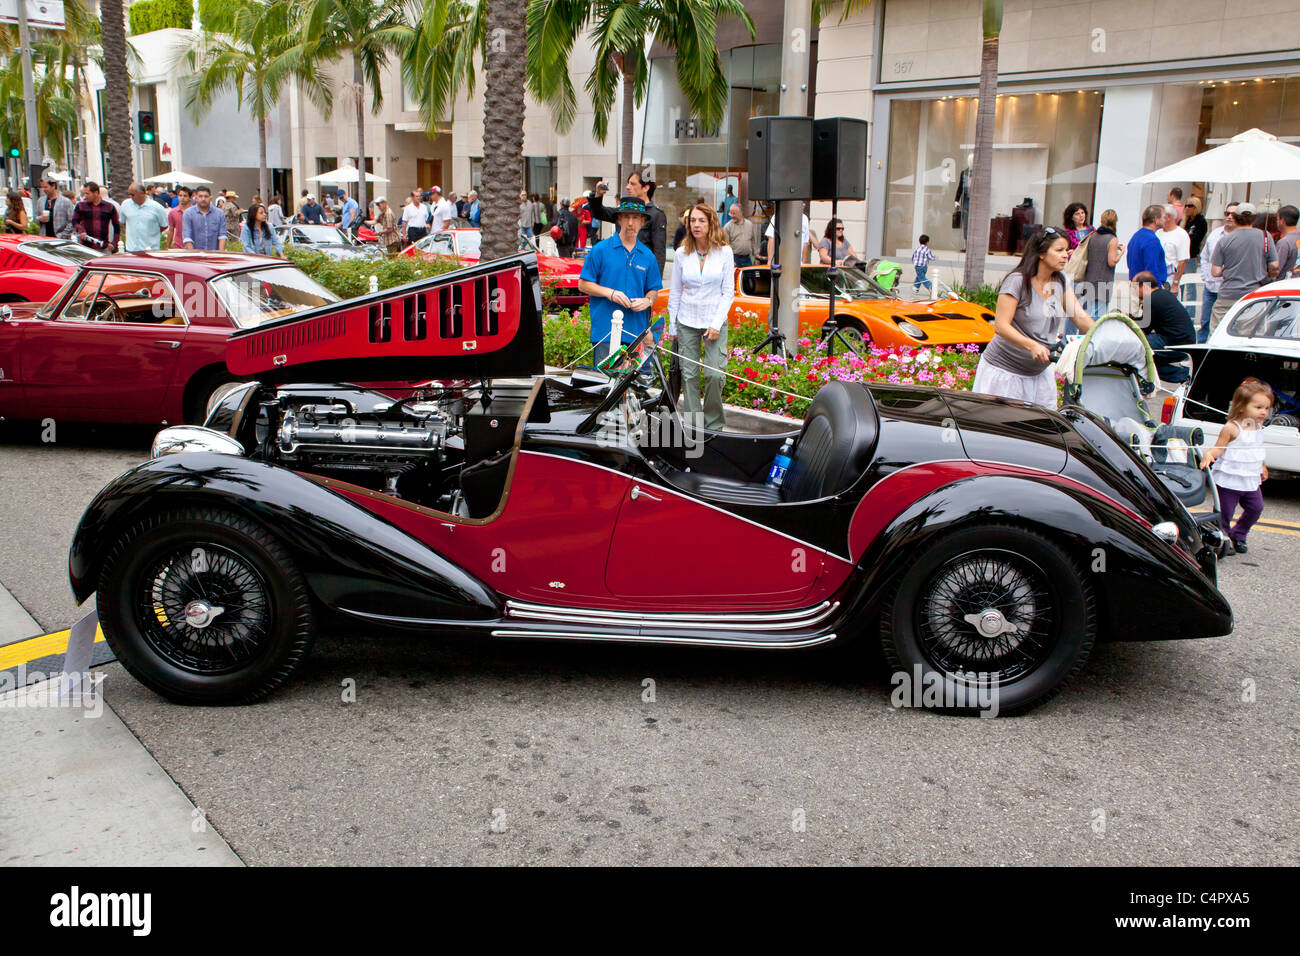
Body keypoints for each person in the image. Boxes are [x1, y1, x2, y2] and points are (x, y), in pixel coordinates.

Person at [973, 228, 1094, 407]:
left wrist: (1102, 334)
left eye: (1066, 250)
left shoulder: (1060, 281)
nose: (1065, 255)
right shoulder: (1017, 281)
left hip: (1039, 374)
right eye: (1059, 250)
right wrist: (1031, 345)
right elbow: (1001, 326)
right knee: (1007, 430)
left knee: (1042, 429)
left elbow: (1079, 316)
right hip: (1004, 374)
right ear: (1042, 253)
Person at [666, 201, 735, 431]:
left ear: (711, 223)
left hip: (714, 320)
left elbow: (728, 292)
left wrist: (716, 324)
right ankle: (695, 426)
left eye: (701, 221)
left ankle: (714, 426)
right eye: (692, 221)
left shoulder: (724, 252)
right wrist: (673, 326)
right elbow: (675, 291)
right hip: (686, 320)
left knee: (715, 374)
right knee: (689, 375)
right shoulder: (680, 254)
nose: (696, 225)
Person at [577, 195, 662, 365]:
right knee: (606, 388)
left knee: (637, 388)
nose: (630, 223)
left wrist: (648, 300)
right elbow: (583, 284)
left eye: (635, 218)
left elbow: (653, 290)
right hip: (605, 332)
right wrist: (610, 293)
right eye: (626, 217)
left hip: (636, 334)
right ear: (619, 219)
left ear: (642, 221)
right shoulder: (600, 250)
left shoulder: (648, 256)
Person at [1201, 378, 1272, 556]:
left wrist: (1262, 466)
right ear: (1241, 406)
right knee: (1225, 513)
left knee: (1256, 508)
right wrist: (1209, 454)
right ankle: (1222, 539)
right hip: (1229, 479)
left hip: (1249, 478)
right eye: (1258, 408)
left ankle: (1239, 533)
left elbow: (1255, 449)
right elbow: (1219, 448)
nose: (1264, 412)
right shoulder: (1232, 428)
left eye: (1266, 408)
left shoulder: (1257, 426)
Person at [1209, 202, 1278, 331]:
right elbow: (1274, 264)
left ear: (1235, 217)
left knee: (1218, 333)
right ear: (1254, 218)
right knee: (1247, 335)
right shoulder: (1265, 237)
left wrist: (1231, 267)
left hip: (1227, 294)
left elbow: (1215, 272)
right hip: (1253, 295)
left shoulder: (1224, 240)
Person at [588, 171, 668, 274]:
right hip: (618, 269)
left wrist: (655, 282)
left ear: (645, 188)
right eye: (628, 183)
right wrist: (598, 194)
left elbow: (659, 251)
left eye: (633, 184)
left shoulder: (656, 215)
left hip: (640, 272)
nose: (627, 187)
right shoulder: (623, 211)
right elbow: (598, 213)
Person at [1131, 271, 1195, 382]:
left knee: (1138, 347)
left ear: (1145, 286)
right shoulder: (1163, 294)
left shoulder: (1151, 300)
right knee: (1147, 354)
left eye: (1135, 287)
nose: (1134, 291)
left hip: (1176, 344)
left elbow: (1143, 329)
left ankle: (1183, 375)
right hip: (1184, 340)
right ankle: (1182, 375)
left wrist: (1128, 321)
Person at [1197, 201, 1236, 342]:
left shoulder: (1240, 237)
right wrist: (1206, 277)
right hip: (1211, 287)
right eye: (1227, 213)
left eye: (1233, 214)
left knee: (1227, 324)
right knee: (1205, 321)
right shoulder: (1215, 234)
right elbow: (1205, 257)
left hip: (1229, 289)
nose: (1229, 216)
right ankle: (1201, 351)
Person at [1080, 208, 1123, 321]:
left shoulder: (1093, 236)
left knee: (1088, 313)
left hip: (1090, 278)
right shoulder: (1112, 239)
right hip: (1104, 280)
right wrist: (1122, 252)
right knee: (1100, 315)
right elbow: (1111, 261)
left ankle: (1086, 335)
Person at [120, 181, 170, 251]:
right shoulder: (125, 204)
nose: (130, 197)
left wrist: (151, 232)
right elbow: (123, 221)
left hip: (151, 249)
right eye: (129, 194)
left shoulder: (156, 207)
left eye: (132, 194)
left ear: (141, 194)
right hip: (131, 249)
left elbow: (164, 225)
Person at [1126, 204, 1167, 287]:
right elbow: (1151, 269)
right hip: (1147, 289)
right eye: (1164, 217)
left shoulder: (1136, 236)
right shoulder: (1152, 240)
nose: (1166, 220)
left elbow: (1129, 262)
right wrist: (1156, 289)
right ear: (1156, 219)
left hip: (1136, 284)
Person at [71, 182, 120, 251]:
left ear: (96, 193)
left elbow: (117, 226)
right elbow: (74, 221)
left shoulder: (109, 207)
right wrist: (80, 230)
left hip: (103, 247)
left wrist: (114, 243)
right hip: (86, 247)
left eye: (87, 193)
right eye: (84, 193)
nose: (85, 196)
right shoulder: (81, 205)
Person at [1158, 204, 1191, 294]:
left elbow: (1182, 261)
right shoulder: (1157, 233)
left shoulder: (1182, 235)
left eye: (1160, 216)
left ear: (1168, 217)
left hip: (1170, 277)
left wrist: (1175, 283)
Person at [182, 186, 227, 251]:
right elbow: (187, 237)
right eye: (200, 196)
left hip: (214, 255)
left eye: (206, 196)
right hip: (194, 255)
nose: (203, 199)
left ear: (210, 198)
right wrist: (194, 255)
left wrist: (220, 254)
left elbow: (222, 236)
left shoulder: (219, 213)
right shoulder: (188, 213)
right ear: (196, 198)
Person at [1274, 204, 1299, 280]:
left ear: (1282, 221)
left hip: (1284, 287)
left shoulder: (1284, 243)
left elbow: (1275, 270)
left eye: (1277, 219)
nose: (1277, 222)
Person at [1181, 197, 1208, 267]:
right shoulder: (1184, 221)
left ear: (1196, 207)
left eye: (1190, 206)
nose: (1187, 208)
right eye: (1185, 206)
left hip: (1190, 256)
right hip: (1179, 256)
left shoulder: (1201, 221)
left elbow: (1196, 240)